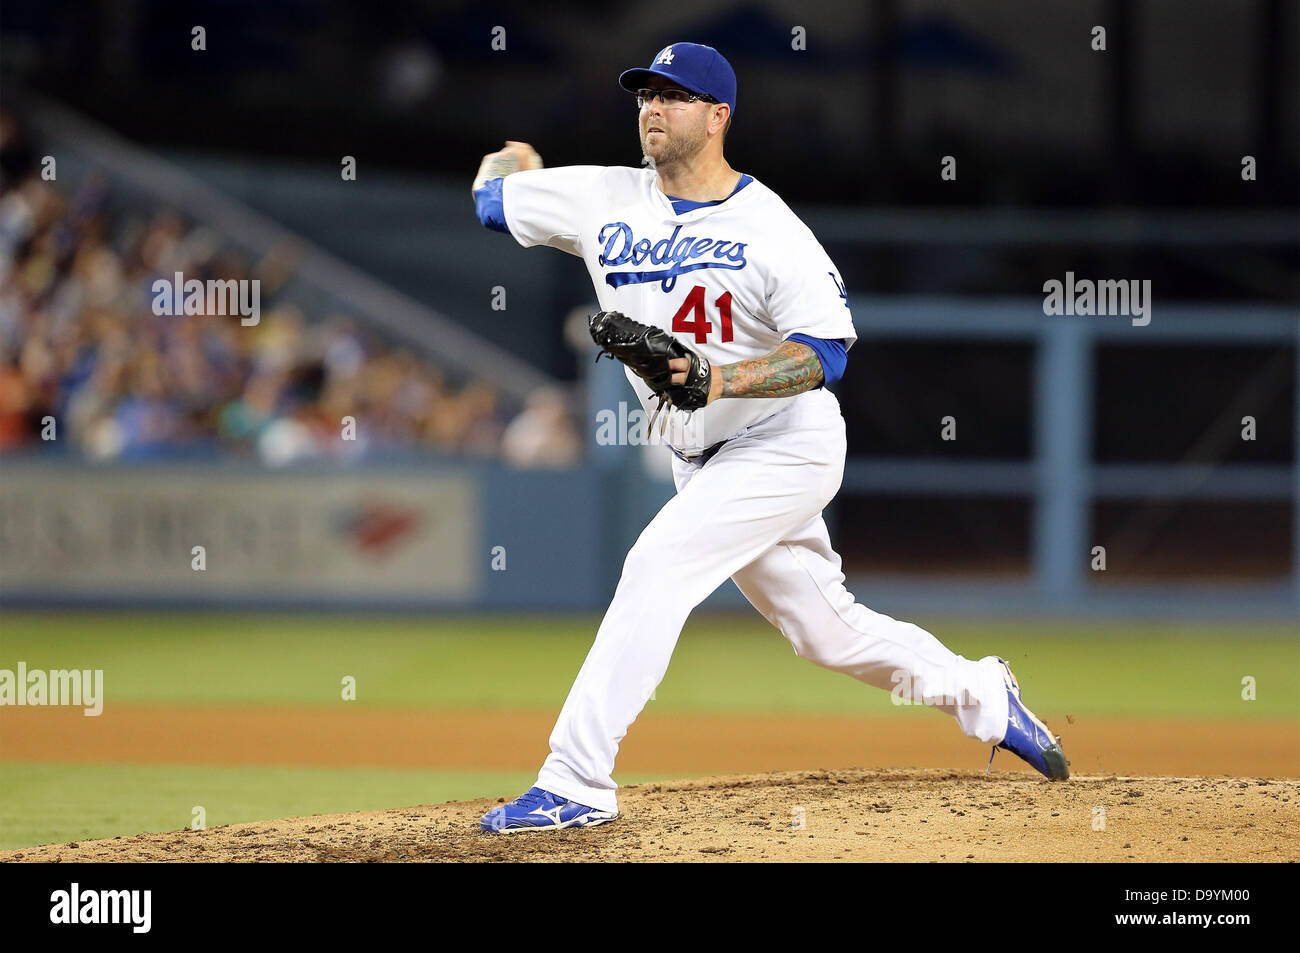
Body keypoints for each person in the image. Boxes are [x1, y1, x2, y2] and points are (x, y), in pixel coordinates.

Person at [471, 42, 1067, 833]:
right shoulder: (599, 197)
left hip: (786, 443)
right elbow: (489, 201)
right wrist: (508, 160)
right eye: (645, 93)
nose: (652, 106)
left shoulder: (770, 227)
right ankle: (982, 693)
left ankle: (576, 780)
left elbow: (823, 354)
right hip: (699, 458)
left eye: (674, 96)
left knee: (658, 562)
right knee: (828, 632)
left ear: (718, 116)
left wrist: (719, 380)